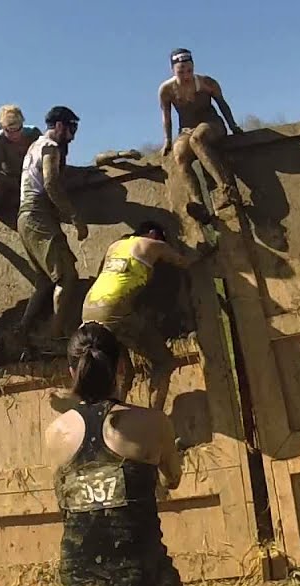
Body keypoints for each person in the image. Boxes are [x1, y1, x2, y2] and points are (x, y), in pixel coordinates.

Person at [44, 323, 195, 586]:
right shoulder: (152, 423)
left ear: (72, 372)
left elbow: (69, 501)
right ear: (122, 368)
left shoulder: (54, 433)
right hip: (141, 583)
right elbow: (172, 479)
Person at [83, 221, 208, 410]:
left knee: (124, 373)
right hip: (114, 310)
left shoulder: (115, 246)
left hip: (88, 311)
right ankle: (154, 417)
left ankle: (110, 417)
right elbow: (185, 261)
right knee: (164, 362)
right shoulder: (154, 244)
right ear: (153, 234)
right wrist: (206, 248)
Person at [16, 105, 87, 355]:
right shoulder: (50, 147)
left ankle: (21, 333)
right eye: (71, 129)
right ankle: (54, 338)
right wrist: (75, 217)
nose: (73, 136)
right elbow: (51, 183)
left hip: (25, 217)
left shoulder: (34, 146)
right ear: (59, 126)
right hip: (38, 214)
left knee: (45, 282)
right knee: (66, 277)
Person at [159, 48, 243, 213]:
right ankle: (198, 203)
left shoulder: (206, 83)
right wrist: (167, 140)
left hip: (211, 124)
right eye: (181, 71)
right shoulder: (166, 90)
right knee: (180, 154)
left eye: (189, 70)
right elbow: (166, 116)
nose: (186, 75)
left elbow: (222, 104)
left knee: (197, 140)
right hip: (186, 129)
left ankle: (225, 189)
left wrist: (233, 125)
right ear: (173, 70)